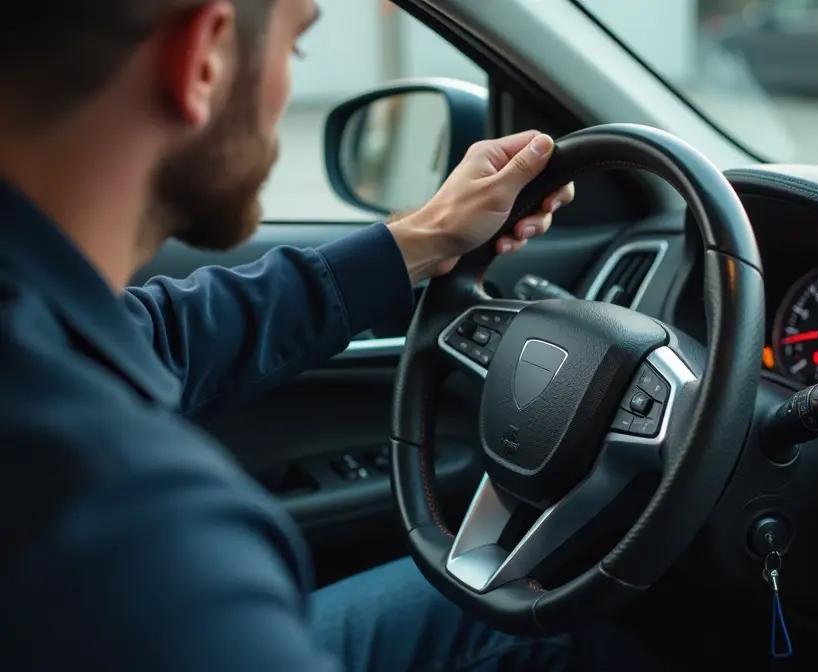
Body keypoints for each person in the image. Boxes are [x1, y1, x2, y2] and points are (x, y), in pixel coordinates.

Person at [0, 1, 672, 670]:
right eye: (294, 49)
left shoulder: (36, 327)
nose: (286, 88)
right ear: (203, 57)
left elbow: (158, 335)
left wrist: (428, 233)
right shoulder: (141, 543)